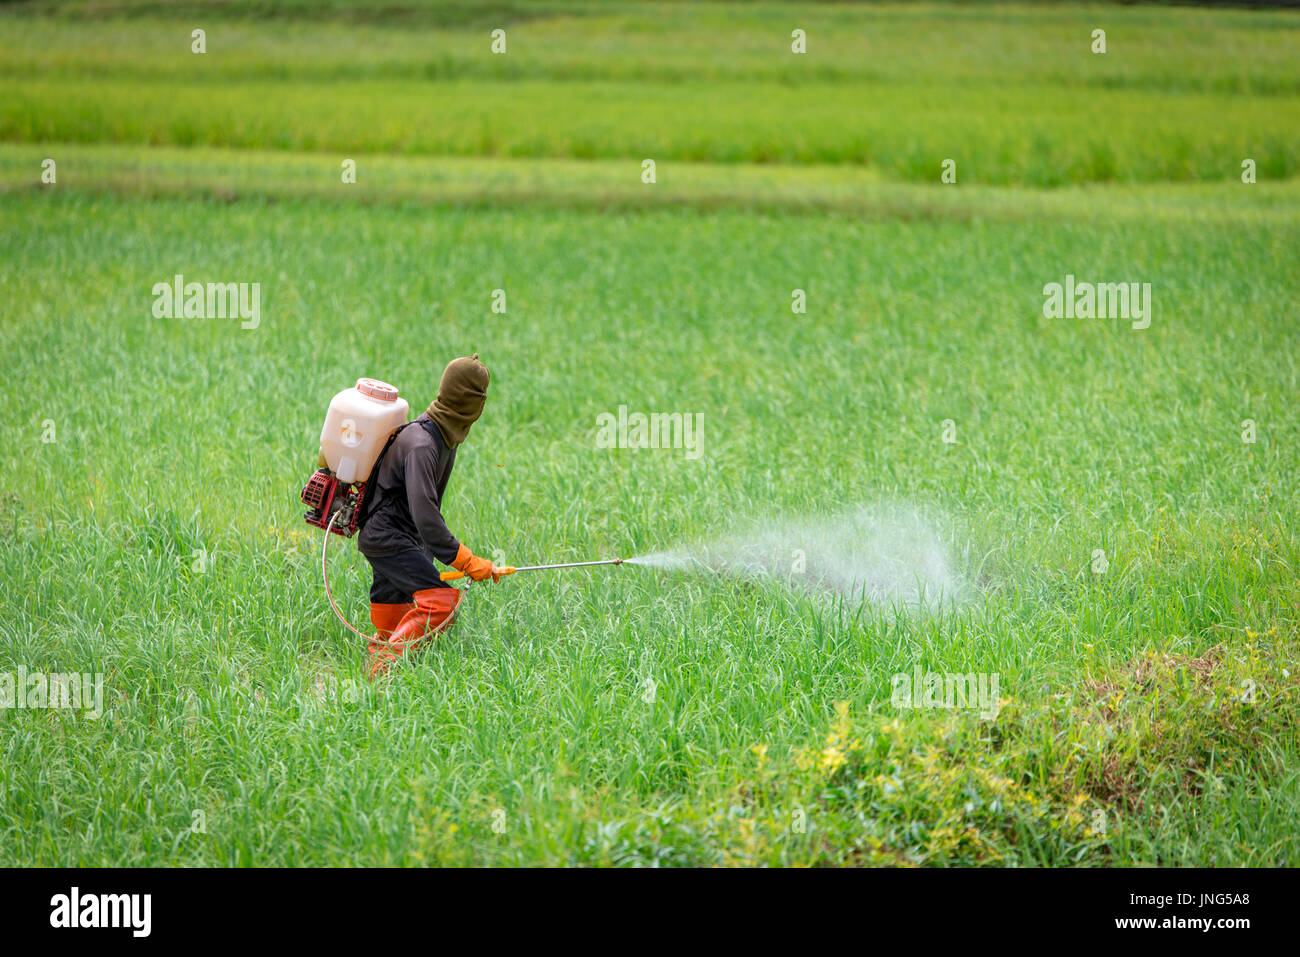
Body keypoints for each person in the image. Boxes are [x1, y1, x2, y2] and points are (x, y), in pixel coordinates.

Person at [356, 354, 502, 678]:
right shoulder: (423, 444)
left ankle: (376, 683)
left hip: (398, 536)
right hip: (388, 536)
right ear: (473, 403)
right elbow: (426, 516)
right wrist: (465, 559)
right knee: (440, 602)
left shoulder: (444, 436)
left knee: (397, 610)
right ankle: (383, 669)